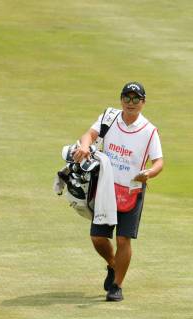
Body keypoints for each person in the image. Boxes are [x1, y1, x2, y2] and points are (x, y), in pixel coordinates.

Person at [73, 81, 164, 302]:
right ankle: (113, 264)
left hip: (132, 190)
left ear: (143, 103)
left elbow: (159, 161)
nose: (130, 103)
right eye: (127, 98)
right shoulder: (109, 117)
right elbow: (90, 135)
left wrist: (149, 174)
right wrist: (84, 146)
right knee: (97, 237)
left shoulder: (149, 131)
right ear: (121, 99)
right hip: (106, 187)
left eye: (136, 99)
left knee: (123, 239)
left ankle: (117, 286)